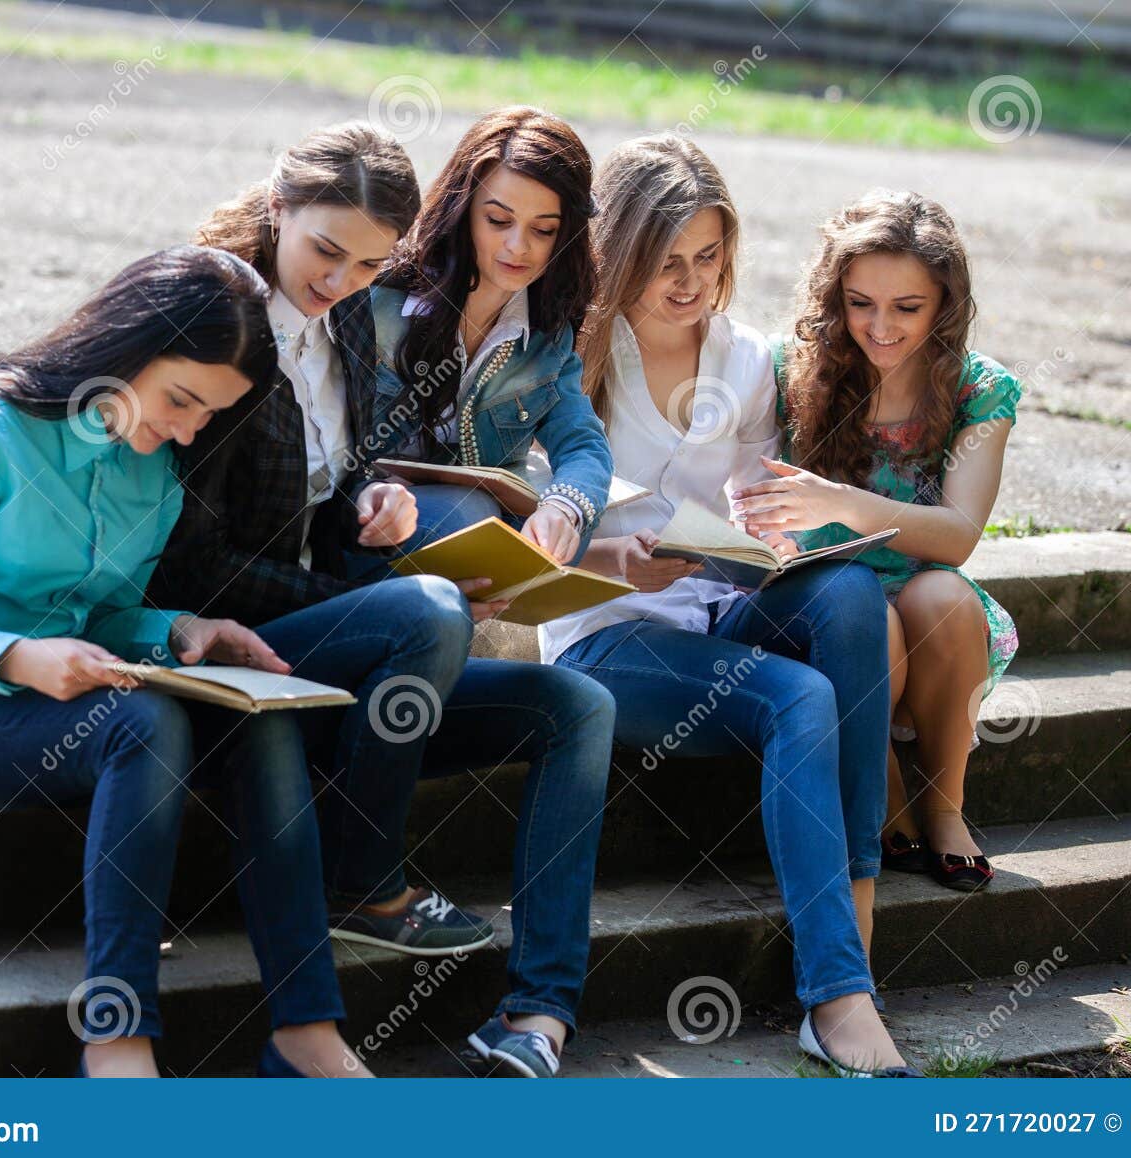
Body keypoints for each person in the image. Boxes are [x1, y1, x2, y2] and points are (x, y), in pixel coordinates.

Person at [150, 123, 616, 1079]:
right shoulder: (224, 327)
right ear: (278, 212)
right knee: (429, 611)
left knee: (579, 706)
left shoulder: (353, 316)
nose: (342, 278)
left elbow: (348, 467)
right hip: (232, 632)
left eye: (365, 262)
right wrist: (362, 589)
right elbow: (195, 565)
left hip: (339, 649)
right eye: (326, 252)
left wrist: (374, 500)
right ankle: (365, 883)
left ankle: (539, 1012)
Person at [0, 246, 374, 1077]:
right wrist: (17, 657)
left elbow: (104, 615)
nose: (187, 430)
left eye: (209, 416)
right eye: (180, 400)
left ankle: (307, 1031)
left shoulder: (156, 477)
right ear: (128, 345)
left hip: (58, 709)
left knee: (261, 721)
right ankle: (118, 1040)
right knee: (142, 722)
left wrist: (179, 630)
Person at [543, 135, 916, 1076]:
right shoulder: (565, 360)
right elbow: (524, 539)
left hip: (721, 609)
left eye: (709, 258)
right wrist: (614, 558)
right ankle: (838, 996)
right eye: (667, 261)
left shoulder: (747, 363)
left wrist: (783, 541)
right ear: (617, 251)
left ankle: (852, 933)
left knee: (847, 593)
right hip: (610, 639)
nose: (691, 282)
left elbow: (755, 515)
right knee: (800, 698)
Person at [738, 189, 1024, 894]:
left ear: (945, 306)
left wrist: (839, 501)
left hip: (932, 622)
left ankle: (945, 806)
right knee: (858, 602)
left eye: (907, 307)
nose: (880, 326)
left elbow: (958, 537)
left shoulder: (977, 390)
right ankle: (890, 794)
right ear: (835, 295)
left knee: (943, 595)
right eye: (861, 302)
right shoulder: (787, 370)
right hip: (822, 603)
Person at [356, 106, 613, 574]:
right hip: (364, 519)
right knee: (469, 515)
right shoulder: (377, 302)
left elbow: (583, 444)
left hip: (470, 526)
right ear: (463, 211)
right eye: (498, 220)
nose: (519, 247)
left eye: (543, 230)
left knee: (567, 532)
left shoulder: (547, 336)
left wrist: (564, 509)